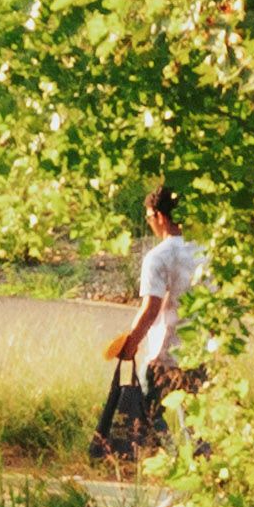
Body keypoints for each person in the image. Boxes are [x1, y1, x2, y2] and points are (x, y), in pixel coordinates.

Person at [92, 179, 207, 468]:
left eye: (149, 218)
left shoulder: (158, 257)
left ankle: (174, 458)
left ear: (159, 216)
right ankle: (201, 459)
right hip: (201, 349)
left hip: (166, 353)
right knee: (195, 413)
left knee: (147, 404)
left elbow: (151, 308)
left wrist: (129, 345)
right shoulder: (204, 253)